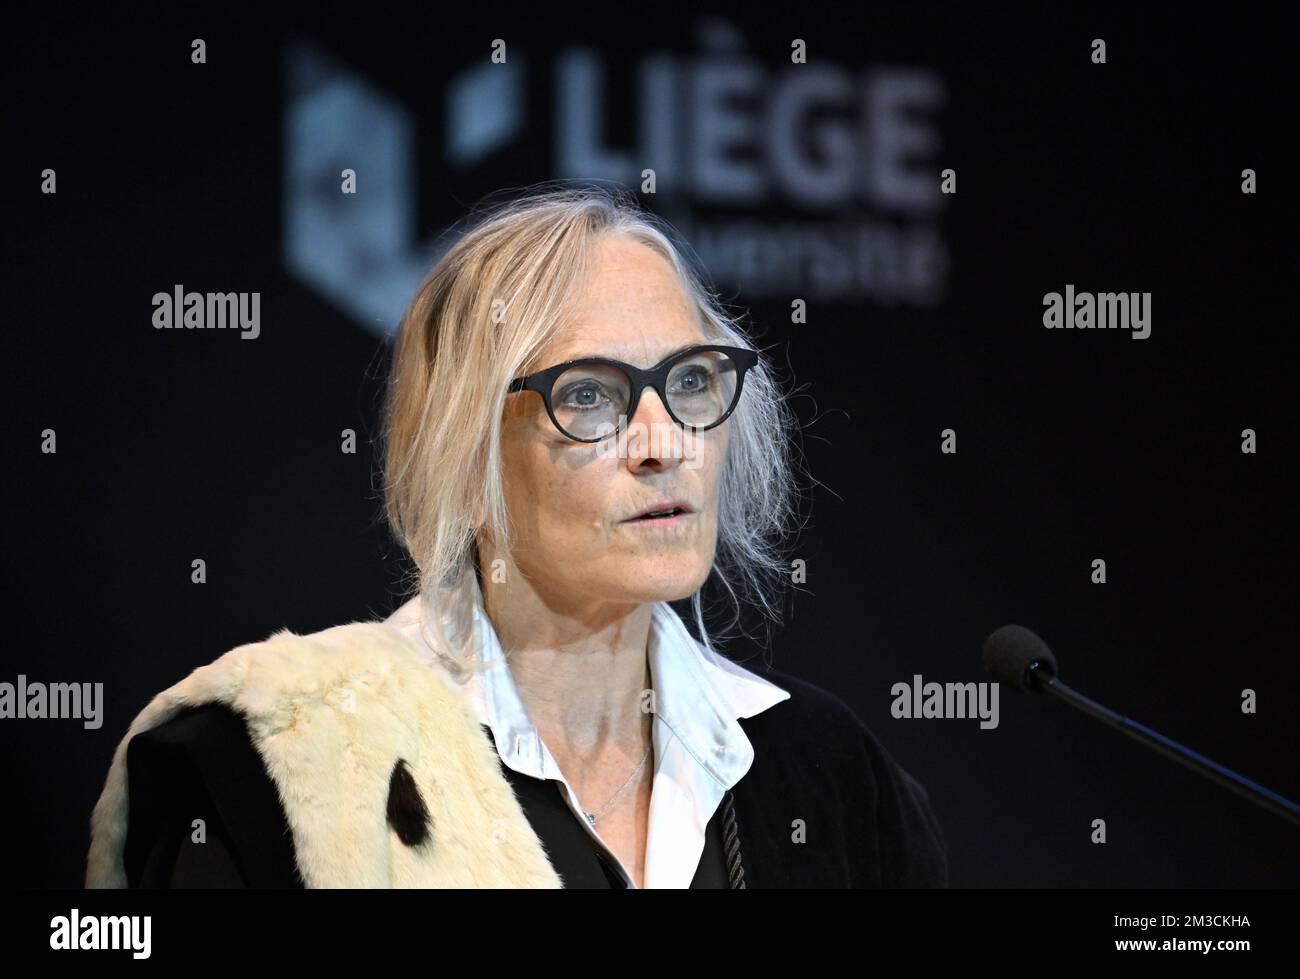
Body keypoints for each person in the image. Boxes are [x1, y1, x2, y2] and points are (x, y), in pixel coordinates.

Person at [85, 183, 948, 889]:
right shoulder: (270, 761)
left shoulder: (829, 774)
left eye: (688, 379)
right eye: (588, 395)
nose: (663, 442)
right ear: (464, 451)